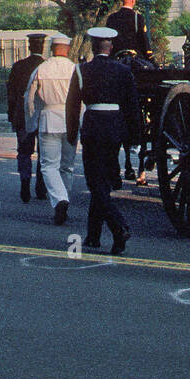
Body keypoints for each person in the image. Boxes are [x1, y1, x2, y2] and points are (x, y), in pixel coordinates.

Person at [65, 27, 139, 255]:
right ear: (111, 47)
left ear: (93, 47)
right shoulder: (123, 71)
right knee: (102, 182)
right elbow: (132, 107)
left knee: (95, 182)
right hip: (115, 127)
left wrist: (71, 133)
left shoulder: (81, 70)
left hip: (94, 125)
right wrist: (133, 136)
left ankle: (118, 228)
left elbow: (72, 106)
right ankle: (94, 235)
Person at [24, 33, 77, 219]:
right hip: (70, 120)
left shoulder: (42, 69)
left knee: (48, 166)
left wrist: (31, 123)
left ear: (52, 49)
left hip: (49, 119)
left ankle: (60, 199)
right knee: (67, 166)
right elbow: (83, 100)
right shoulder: (74, 69)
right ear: (68, 49)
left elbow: (30, 100)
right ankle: (65, 199)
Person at [106, 0, 151, 183]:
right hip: (134, 66)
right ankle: (140, 168)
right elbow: (144, 45)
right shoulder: (137, 18)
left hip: (116, 64)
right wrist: (150, 58)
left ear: (121, 0)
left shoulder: (112, 19)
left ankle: (120, 167)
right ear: (132, 0)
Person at [6, 33, 49, 203]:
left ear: (29, 47)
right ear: (43, 47)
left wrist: (12, 115)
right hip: (43, 114)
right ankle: (41, 187)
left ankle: (25, 183)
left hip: (22, 115)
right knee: (44, 152)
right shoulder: (46, 66)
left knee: (24, 151)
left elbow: (11, 94)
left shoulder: (18, 66)